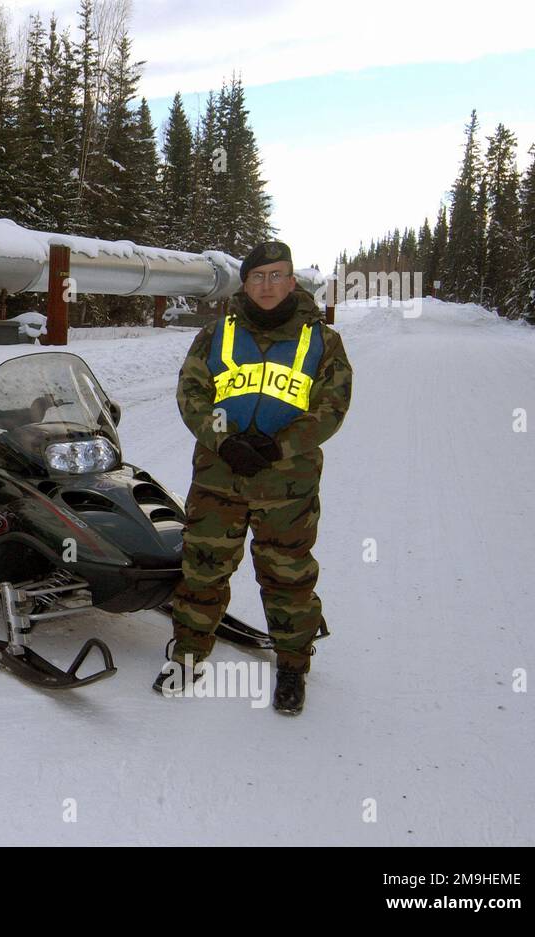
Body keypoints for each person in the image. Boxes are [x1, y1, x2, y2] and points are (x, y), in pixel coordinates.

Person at [153, 240, 353, 714]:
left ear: (291, 280)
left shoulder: (321, 339)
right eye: (258, 276)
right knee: (203, 567)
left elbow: (332, 406)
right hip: (219, 477)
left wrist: (279, 445)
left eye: (277, 275)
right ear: (245, 283)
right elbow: (192, 393)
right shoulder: (216, 333)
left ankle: (292, 667)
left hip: (287, 485)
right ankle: (187, 655)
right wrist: (225, 440)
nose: (267, 285)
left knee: (288, 576)